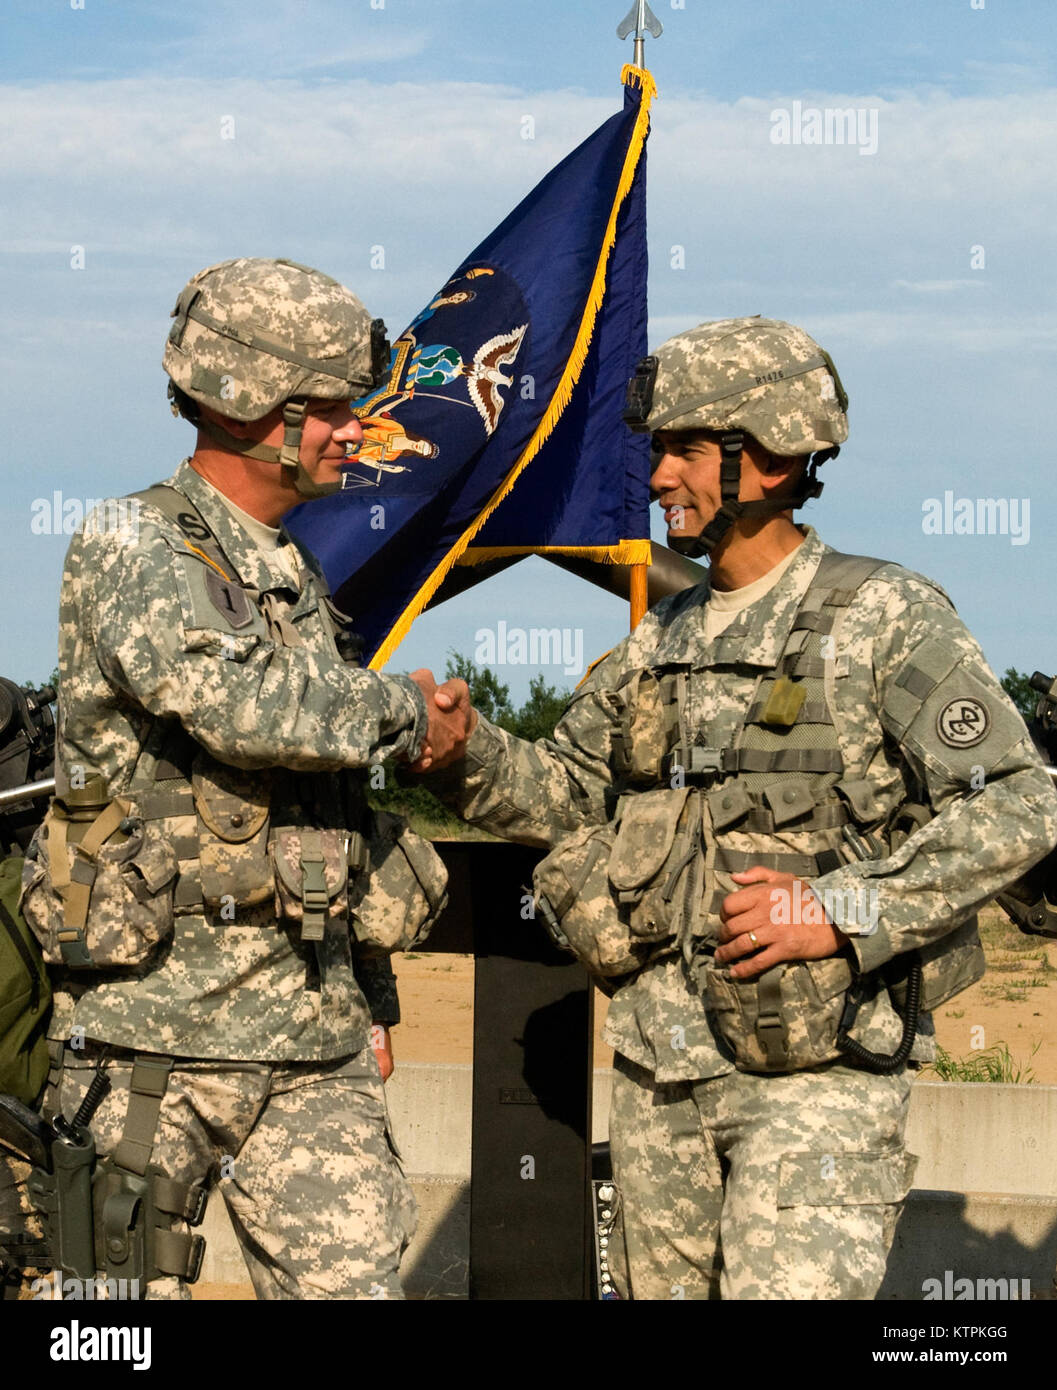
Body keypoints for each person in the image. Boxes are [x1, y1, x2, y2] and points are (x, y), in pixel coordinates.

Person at [413, 316, 1057, 1299]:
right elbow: (564, 792)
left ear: (760, 459)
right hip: (661, 1082)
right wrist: (465, 752)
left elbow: (1018, 805)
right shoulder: (656, 643)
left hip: (815, 1092)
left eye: (679, 449)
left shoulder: (882, 616)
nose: (658, 476)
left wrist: (841, 911)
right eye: (653, 450)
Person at [11, 256, 459, 1301]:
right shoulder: (132, 540)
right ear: (256, 405)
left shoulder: (292, 572)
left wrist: (370, 997)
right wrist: (405, 711)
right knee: (105, 1323)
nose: (354, 430)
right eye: (333, 408)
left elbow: (333, 807)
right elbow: (247, 711)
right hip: (146, 1038)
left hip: (310, 1043)